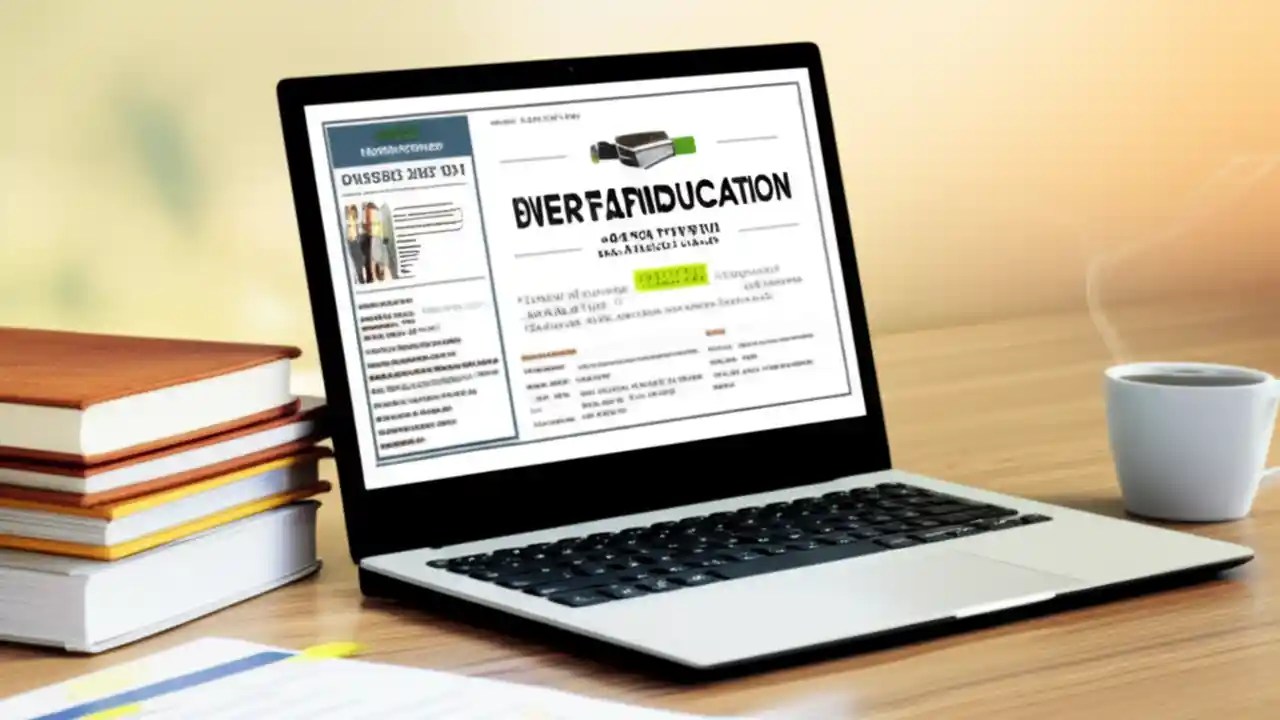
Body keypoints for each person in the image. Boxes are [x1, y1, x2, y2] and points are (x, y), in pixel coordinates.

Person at [344, 205, 366, 283]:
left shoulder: (354, 220)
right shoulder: (348, 220)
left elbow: (357, 229)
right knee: (354, 261)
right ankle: (358, 277)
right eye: (351, 211)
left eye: (353, 211)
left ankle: (360, 277)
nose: (352, 213)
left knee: (359, 260)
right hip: (351, 241)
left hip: (355, 240)